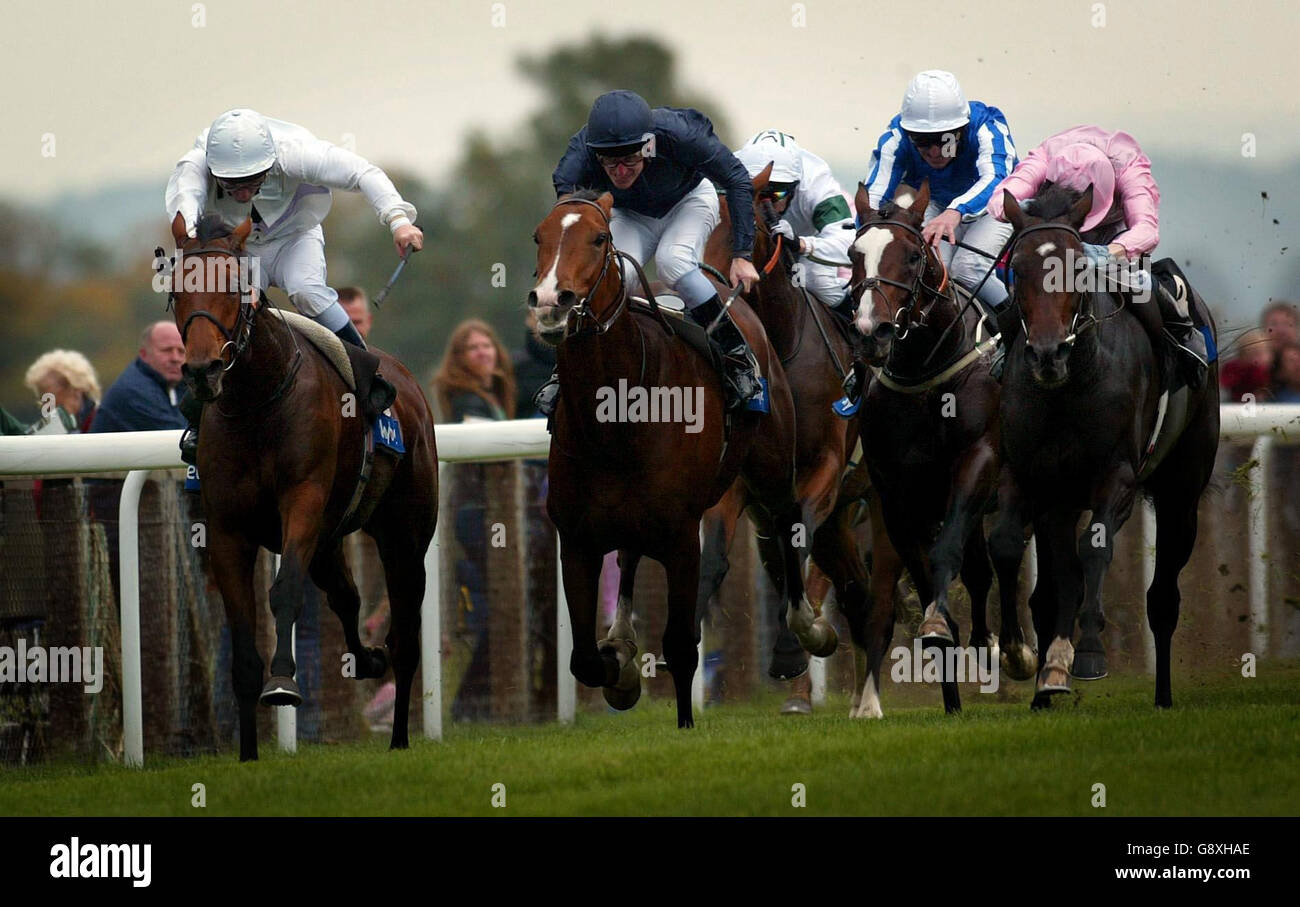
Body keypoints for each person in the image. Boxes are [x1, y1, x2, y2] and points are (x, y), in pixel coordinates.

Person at [165, 108, 423, 464]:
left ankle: (369, 380)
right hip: (234, 248)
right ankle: (198, 415)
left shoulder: (296, 153)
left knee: (307, 290)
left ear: (269, 163)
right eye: (231, 183)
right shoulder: (193, 167)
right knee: (230, 311)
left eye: (251, 180)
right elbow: (189, 228)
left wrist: (397, 220)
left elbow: (364, 173)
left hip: (294, 238)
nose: (241, 193)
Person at [537, 89, 763, 413]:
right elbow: (570, 216)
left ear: (648, 145)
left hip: (689, 201)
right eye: (610, 163)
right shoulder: (582, 153)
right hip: (630, 214)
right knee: (615, 278)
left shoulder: (680, 134)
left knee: (673, 263)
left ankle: (738, 356)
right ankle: (565, 372)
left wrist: (743, 255)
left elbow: (738, 180)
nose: (620, 172)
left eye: (630, 160)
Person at [988, 125, 1208, 388]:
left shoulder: (1128, 165)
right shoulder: (1046, 156)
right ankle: (1006, 346)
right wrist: (1024, 209)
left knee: (1140, 283)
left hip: (1113, 235)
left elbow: (1147, 231)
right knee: (1032, 278)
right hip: (1057, 228)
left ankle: (1180, 339)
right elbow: (999, 201)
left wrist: (1107, 253)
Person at [863, 70, 1017, 316]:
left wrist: (957, 210)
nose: (935, 151)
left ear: (962, 130)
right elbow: (875, 194)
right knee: (932, 270)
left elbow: (996, 177)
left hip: (995, 208)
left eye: (945, 140)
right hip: (942, 205)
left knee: (967, 269)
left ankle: (1014, 328)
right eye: (922, 141)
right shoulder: (896, 136)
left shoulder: (987, 125)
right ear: (909, 134)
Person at [431, 320, 517, 720]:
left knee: (500, 606)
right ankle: (469, 704)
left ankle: (473, 702)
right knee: (499, 606)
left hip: (487, 512)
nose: (484, 352)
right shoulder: (468, 401)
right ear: (460, 360)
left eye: (487, 345)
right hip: (477, 515)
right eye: (473, 348)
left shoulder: (490, 395)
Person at [733, 130, 856, 316]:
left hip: (805, 249)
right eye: (757, 193)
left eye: (777, 194)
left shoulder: (817, 184)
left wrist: (801, 244)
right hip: (747, 244)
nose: (766, 202)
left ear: (795, 185)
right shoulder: (729, 172)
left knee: (816, 278)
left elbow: (850, 247)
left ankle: (853, 329)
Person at [89, 322, 187, 433]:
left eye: (181, 351)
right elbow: (177, 439)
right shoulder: (134, 391)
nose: (175, 358)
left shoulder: (176, 385)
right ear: (144, 354)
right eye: (167, 350)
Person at [8, 350, 100, 434]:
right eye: (42, 399)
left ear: (75, 390)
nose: (44, 406)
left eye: (49, 397)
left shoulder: (101, 425)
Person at [1219, 328, 1275, 402]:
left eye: (1262, 353)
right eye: (1254, 354)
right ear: (1243, 357)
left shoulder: (1275, 374)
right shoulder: (1236, 372)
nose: (1258, 359)